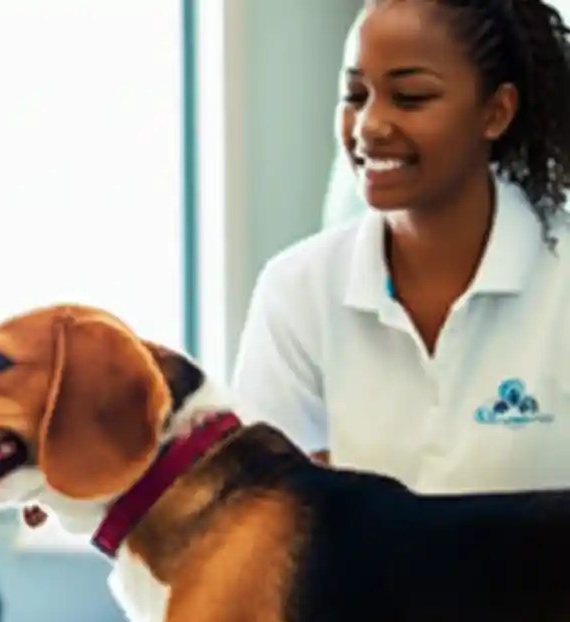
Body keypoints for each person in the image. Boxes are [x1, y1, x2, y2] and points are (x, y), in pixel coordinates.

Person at [232, 0, 570, 493]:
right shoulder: (297, 290)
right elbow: (264, 512)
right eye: (355, 95)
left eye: (410, 97)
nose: (369, 126)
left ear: (496, 112)